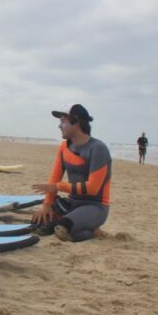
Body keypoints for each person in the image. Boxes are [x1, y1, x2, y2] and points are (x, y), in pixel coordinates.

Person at [31, 104, 111, 242]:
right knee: (39, 225)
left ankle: (92, 232)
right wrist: (47, 205)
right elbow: (54, 178)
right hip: (72, 204)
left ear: (76, 122)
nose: (59, 126)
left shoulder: (98, 148)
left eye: (63, 121)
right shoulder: (64, 147)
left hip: (95, 207)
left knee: (62, 228)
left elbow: (93, 188)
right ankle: (87, 228)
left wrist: (59, 187)